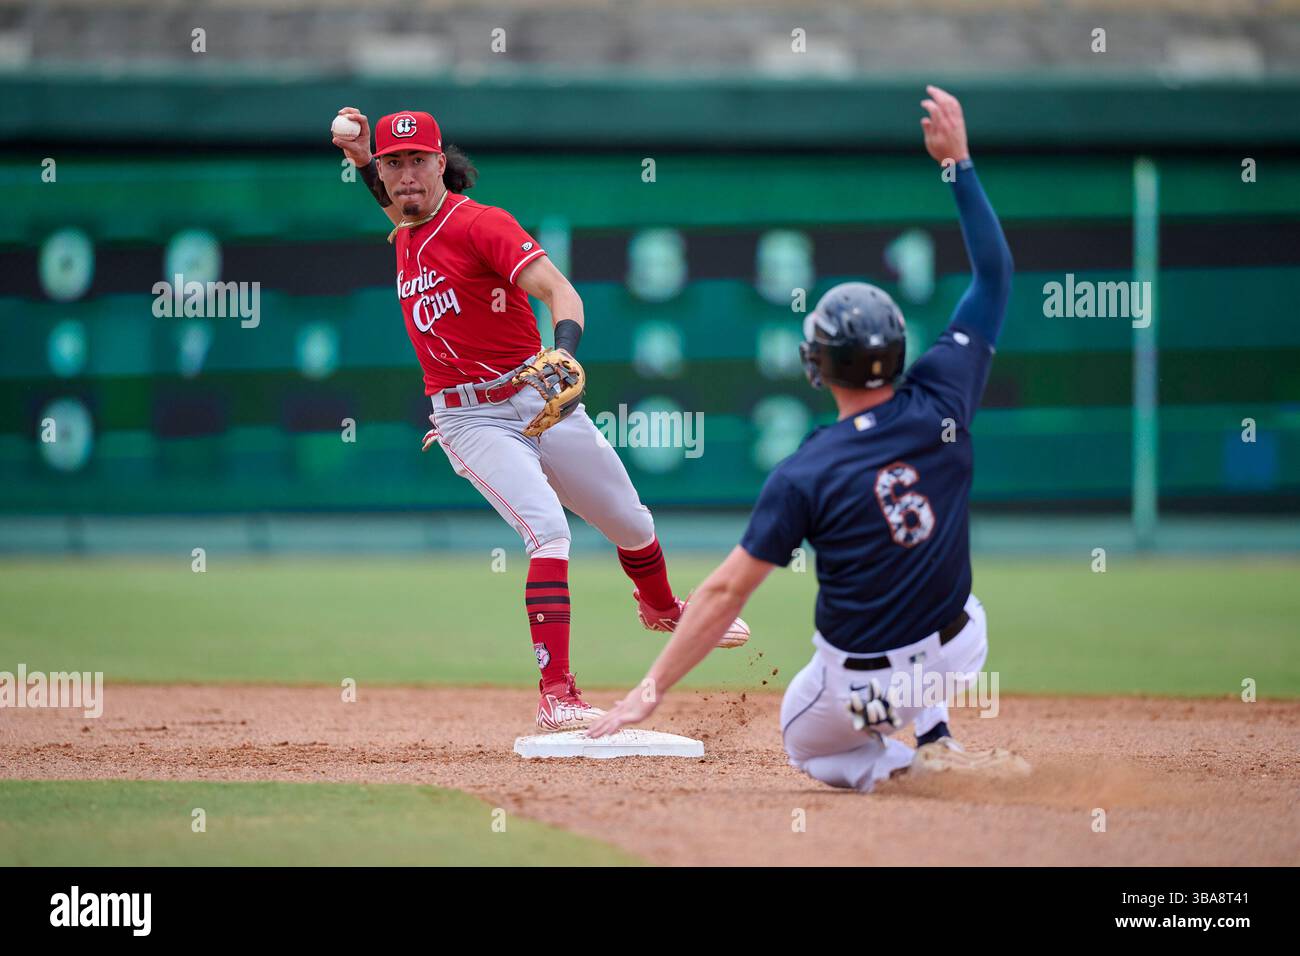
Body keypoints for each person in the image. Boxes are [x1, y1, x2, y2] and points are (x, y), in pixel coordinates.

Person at [586, 86, 1021, 790]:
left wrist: (651, 689)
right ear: (900, 349)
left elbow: (726, 591)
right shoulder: (946, 391)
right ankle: (938, 732)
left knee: (805, 740)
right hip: (963, 650)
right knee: (928, 578)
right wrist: (957, 163)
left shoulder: (808, 469)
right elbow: (995, 276)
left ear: (816, 367)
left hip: (868, 688)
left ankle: (908, 767)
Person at [330, 107, 749, 732]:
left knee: (631, 521)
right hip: (470, 419)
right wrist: (362, 157)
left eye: (418, 160)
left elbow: (562, 292)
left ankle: (661, 608)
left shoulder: (481, 226)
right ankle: (558, 694)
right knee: (550, 531)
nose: (406, 175)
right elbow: (398, 203)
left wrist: (564, 352)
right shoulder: (406, 225)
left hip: (536, 395)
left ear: (441, 162)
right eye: (395, 164)